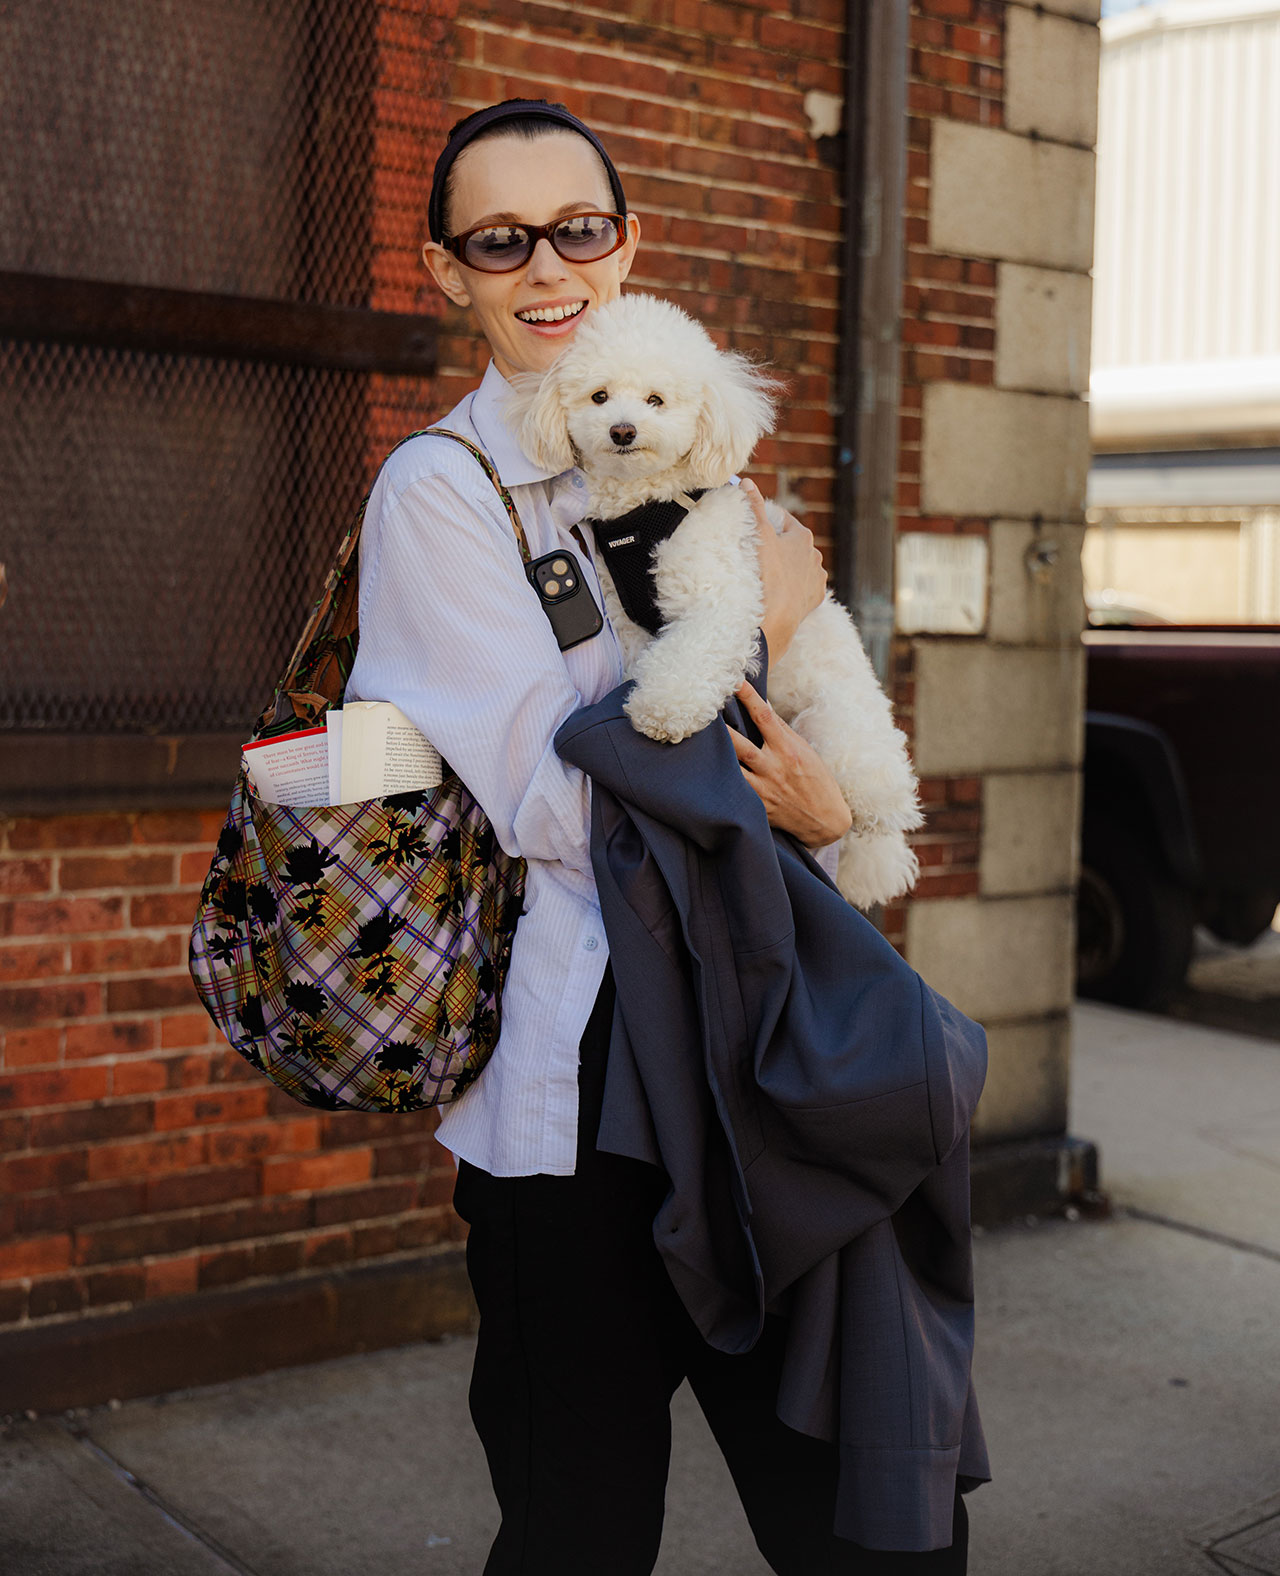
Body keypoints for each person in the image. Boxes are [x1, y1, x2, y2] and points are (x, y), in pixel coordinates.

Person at [345, 99, 970, 1574]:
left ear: (626, 242)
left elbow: (787, 741)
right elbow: (559, 807)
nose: (547, 266)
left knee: (879, 1522)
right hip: (580, 1096)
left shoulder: (704, 461)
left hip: (760, 1048)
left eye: (578, 228)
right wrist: (782, 643)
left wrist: (815, 790)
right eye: (502, 240)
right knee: (580, 1526)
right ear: (451, 273)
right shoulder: (443, 494)